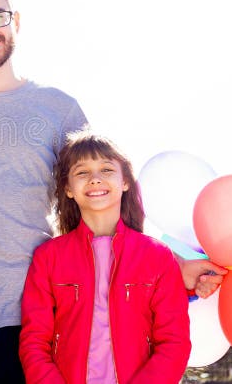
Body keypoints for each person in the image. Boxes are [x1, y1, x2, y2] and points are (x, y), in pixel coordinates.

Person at [0, 0, 223, 383]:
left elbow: (102, 200)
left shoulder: (58, 109)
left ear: (15, 21)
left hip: (39, 319)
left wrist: (173, 262)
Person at [19, 130, 190, 383]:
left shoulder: (157, 257)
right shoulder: (48, 257)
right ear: (68, 188)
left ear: (125, 182)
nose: (95, 179)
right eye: (82, 172)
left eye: (106, 170)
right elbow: (34, 343)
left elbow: (174, 342)